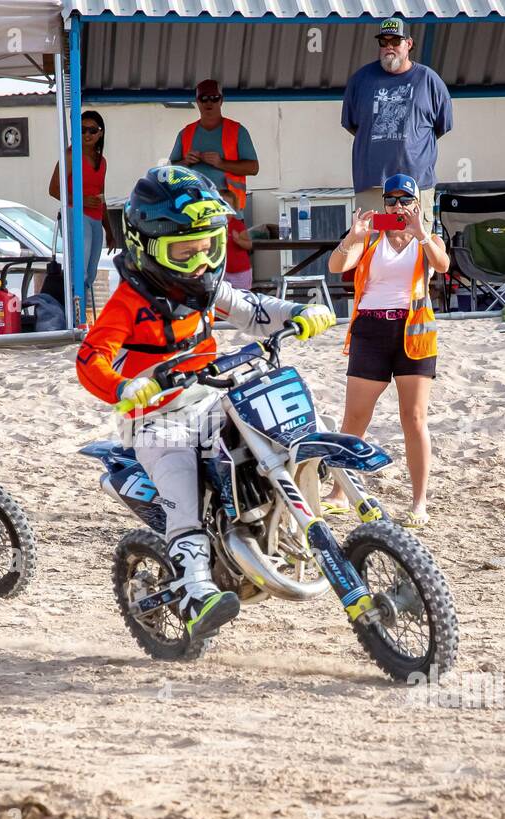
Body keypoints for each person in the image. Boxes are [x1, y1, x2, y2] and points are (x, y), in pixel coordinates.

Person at [76, 166, 335, 643]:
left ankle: (327, 497)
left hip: (213, 395)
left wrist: (299, 313)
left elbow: (252, 309)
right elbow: (92, 357)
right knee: (179, 480)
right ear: (145, 247)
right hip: (156, 418)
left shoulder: (205, 287)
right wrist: (123, 388)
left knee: (294, 414)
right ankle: (196, 591)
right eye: (184, 251)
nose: (199, 262)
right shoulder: (127, 303)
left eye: (208, 247)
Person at [324, 173, 448, 529]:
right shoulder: (371, 240)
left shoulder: (428, 240)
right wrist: (353, 237)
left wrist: (420, 232)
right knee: (355, 417)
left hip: (414, 332)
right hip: (371, 329)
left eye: (405, 200)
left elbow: (442, 266)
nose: (397, 207)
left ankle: (419, 502)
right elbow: (337, 267)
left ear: (417, 205)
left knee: (413, 417)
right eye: (391, 201)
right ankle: (338, 493)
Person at [341, 17, 452, 235]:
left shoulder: (429, 80)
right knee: (374, 247)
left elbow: (441, 125)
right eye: (384, 42)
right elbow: (354, 125)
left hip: (416, 187)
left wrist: (409, 142)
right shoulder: (360, 80)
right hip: (374, 187)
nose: (389, 47)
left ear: (409, 44)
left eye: (395, 41)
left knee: (414, 250)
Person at [49, 110, 109, 311]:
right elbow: (54, 189)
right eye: (82, 130)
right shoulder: (70, 155)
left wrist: (109, 230)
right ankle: (75, 318)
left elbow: (102, 196)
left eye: (92, 130)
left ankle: (81, 313)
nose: (87, 134)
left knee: (90, 273)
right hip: (77, 215)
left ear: (100, 133)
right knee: (79, 271)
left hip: (96, 219)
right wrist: (82, 200)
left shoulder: (102, 161)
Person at [168, 80, 259, 210]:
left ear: (221, 101)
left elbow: (253, 168)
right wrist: (185, 162)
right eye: (204, 98)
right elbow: (169, 172)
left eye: (214, 98)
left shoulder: (238, 131)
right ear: (197, 102)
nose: (209, 102)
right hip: (193, 210)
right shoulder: (185, 133)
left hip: (229, 211)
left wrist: (220, 163)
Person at [220, 187, 253, 290]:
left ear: (234, 209)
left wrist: (238, 240)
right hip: (222, 272)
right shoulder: (214, 226)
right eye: (222, 203)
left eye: (228, 205)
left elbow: (250, 245)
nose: (225, 208)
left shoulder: (238, 225)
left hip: (240, 271)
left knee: (242, 299)